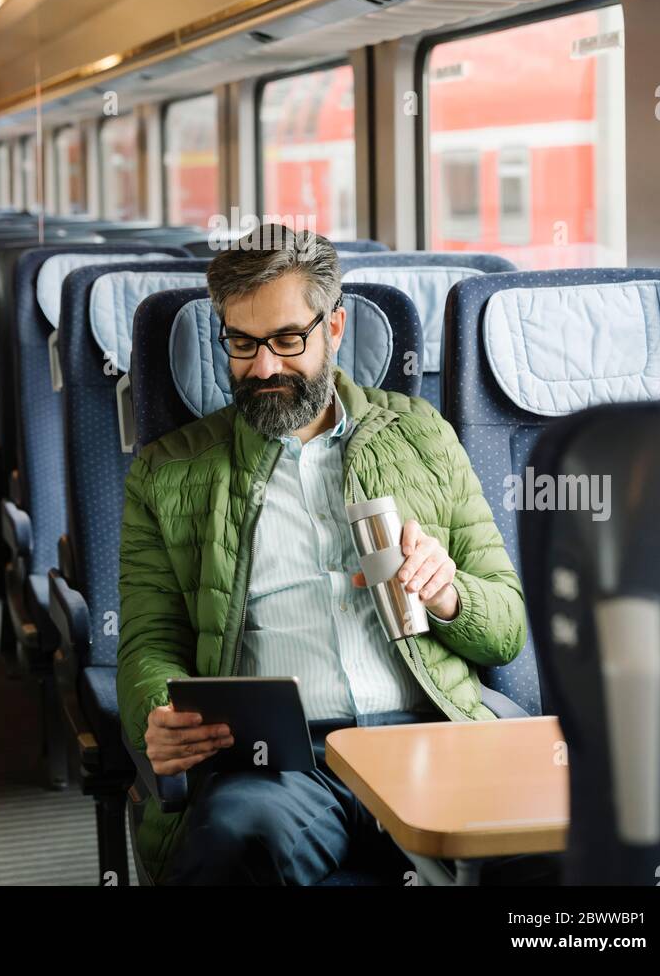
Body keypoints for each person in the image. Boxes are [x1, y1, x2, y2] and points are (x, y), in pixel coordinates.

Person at [116, 227, 528, 885]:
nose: (264, 368)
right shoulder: (169, 471)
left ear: (332, 327)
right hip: (279, 764)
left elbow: (506, 629)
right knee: (235, 844)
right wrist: (157, 712)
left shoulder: (422, 436)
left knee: (566, 848)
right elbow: (146, 641)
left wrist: (448, 592)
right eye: (242, 343)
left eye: (287, 340)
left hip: (426, 737)